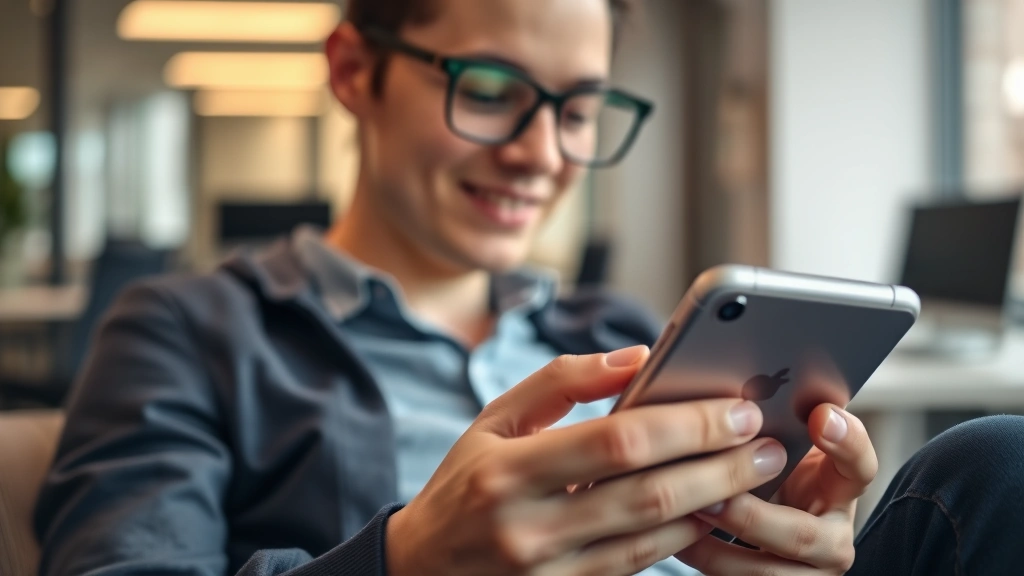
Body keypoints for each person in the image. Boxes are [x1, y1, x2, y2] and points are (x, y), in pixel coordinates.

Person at [33, 0, 1024, 574]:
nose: (541, 154)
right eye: (494, 92)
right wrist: (407, 562)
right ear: (352, 69)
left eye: (580, 108)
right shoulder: (187, 327)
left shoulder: (622, 328)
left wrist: (788, 549)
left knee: (992, 469)